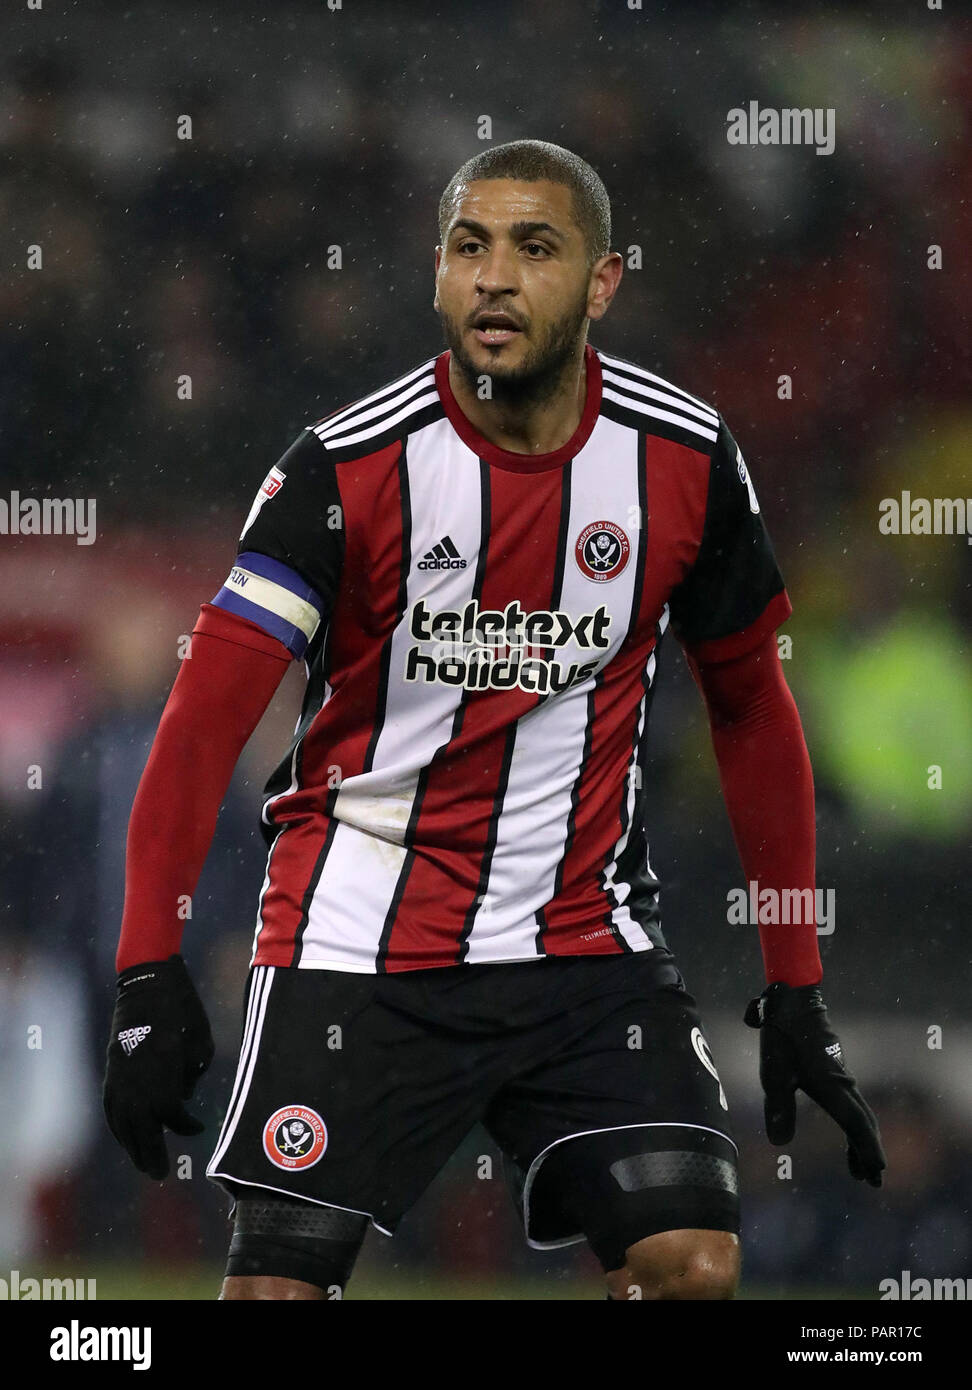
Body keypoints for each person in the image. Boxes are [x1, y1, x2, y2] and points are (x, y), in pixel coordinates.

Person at [103, 139, 886, 1301]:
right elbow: (200, 722)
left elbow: (753, 707)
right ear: (436, 273)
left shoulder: (686, 459)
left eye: (534, 248)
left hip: (583, 947)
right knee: (278, 1290)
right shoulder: (347, 464)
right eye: (470, 248)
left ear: (603, 282)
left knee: (694, 1267)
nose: (495, 279)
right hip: (359, 939)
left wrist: (796, 982)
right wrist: (145, 972)